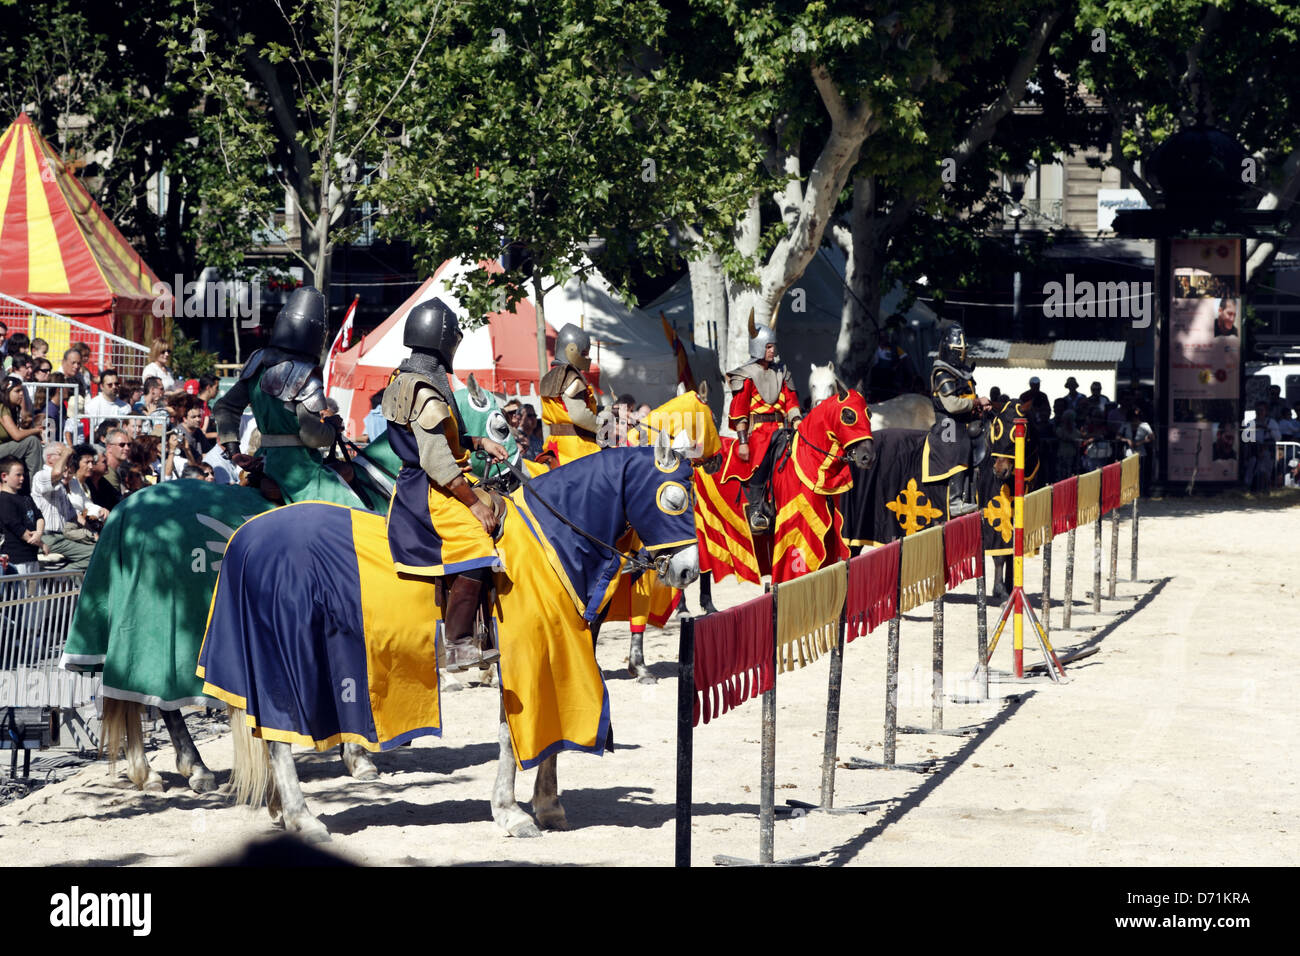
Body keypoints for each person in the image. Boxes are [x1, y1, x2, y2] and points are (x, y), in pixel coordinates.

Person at [380, 297, 508, 671]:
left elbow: (444, 440)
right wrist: (474, 504)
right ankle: (456, 644)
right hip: (428, 491)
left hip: (436, 478)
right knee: (477, 541)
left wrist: (479, 442)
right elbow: (437, 461)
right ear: (444, 340)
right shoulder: (423, 389)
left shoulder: (415, 378)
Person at [213, 287, 363, 507]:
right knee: (349, 501)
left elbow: (224, 407)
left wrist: (235, 451)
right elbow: (311, 435)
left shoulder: (258, 363)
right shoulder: (306, 374)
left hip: (264, 461)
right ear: (317, 334)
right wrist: (331, 429)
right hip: (297, 470)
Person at [718, 314, 802, 531]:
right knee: (760, 461)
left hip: (782, 430)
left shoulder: (782, 371)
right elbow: (739, 411)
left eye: (773, 346)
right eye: (768, 347)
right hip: (759, 433)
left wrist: (798, 422)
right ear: (757, 347)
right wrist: (743, 441)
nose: (772, 351)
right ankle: (756, 511)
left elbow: (791, 401)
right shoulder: (745, 375)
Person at [924, 322, 991, 516]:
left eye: (963, 351)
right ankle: (954, 501)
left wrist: (979, 408)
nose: (961, 355)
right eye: (957, 351)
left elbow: (967, 399)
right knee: (959, 445)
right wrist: (977, 402)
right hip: (947, 423)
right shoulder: (942, 372)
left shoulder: (962, 372)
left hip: (964, 420)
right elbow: (952, 405)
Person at [539, 324, 601, 464]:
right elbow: (579, 415)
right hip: (577, 448)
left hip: (556, 443)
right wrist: (605, 428)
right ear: (572, 350)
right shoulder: (570, 376)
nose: (587, 357)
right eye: (584, 353)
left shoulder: (550, 376)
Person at [30, 443, 97, 569]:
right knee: (96, 553)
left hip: (62, 537)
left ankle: (64, 578)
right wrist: (67, 452)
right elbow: (55, 473)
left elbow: (74, 516)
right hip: (47, 537)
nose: (68, 459)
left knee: (99, 549)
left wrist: (93, 534)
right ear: (49, 458)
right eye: (62, 455)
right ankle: (62, 579)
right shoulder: (41, 475)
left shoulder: (61, 485)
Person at [0, 456, 48, 574]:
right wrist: (41, 543)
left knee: (34, 592)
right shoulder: (4, 499)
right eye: (18, 475)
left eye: (23, 475)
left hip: (31, 555)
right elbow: (16, 527)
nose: (22, 478)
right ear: (4, 476)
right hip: (15, 558)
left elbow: (39, 517)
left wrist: (39, 533)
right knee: (19, 591)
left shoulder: (25, 497)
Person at [0, 375, 44, 488]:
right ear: (7, 392)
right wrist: (36, 430)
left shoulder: (12, 408)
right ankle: (37, 487)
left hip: (4, 447)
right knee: (32, 442)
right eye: (17, 391)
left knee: (34, 441)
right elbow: (17, 435)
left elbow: (19, 431)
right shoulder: (2, 408)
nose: (21, 394)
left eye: (22, 391)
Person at [1243, 401, 1280, 492]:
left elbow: (1278, 437)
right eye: (1258, 410)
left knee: (1265, 471)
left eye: (1262, 410)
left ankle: (1265, 490)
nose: (1259, 412)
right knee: (1251, 469)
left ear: (1266, 411)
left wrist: (1267, 429)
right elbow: (1245, 438)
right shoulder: (1251, 423)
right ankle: (1250, 489)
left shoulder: (1271, 422)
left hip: (1268, 450)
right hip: (1254, 450)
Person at [84, 368, 131, 435]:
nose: (114, 387)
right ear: (101, 386)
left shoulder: (126, 407)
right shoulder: (91, 406)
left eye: (116, 384)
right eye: (110, 385)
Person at [1119, 407, 1154, 495]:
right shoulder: (1125, 425)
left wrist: (1142, 442)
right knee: (1128, 473)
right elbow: (1118, 436)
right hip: (1128, 453)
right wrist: (1127, 440)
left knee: (1140, 473)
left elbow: (1152, 437)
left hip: (1141, 453)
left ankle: (1140, 492)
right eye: (1134, 416)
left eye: (1137, 416)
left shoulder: (1145, 425)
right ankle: (1128, 491)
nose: (1135, 418)